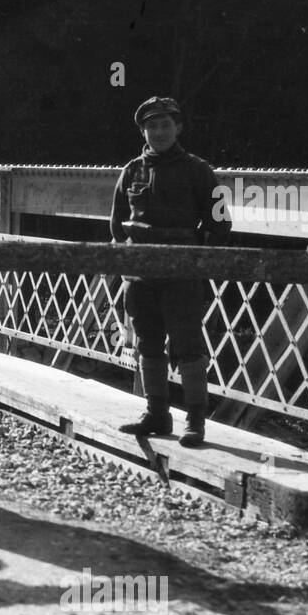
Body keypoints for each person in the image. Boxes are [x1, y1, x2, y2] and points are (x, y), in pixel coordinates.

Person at [111, 96, 230, 448]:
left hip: (181, 273)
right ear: (143, 131)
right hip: (141, 274)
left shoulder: (199, 170)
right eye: (151, 126)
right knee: (147, 343)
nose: (158, 132)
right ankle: (157, 414)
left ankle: (195, 421)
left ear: (178, 127)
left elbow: (220, 221)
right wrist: (127, 263)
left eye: (165, 125)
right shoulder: (132, 170)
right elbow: (117, 225)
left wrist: (200, 261)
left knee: (188, 345)